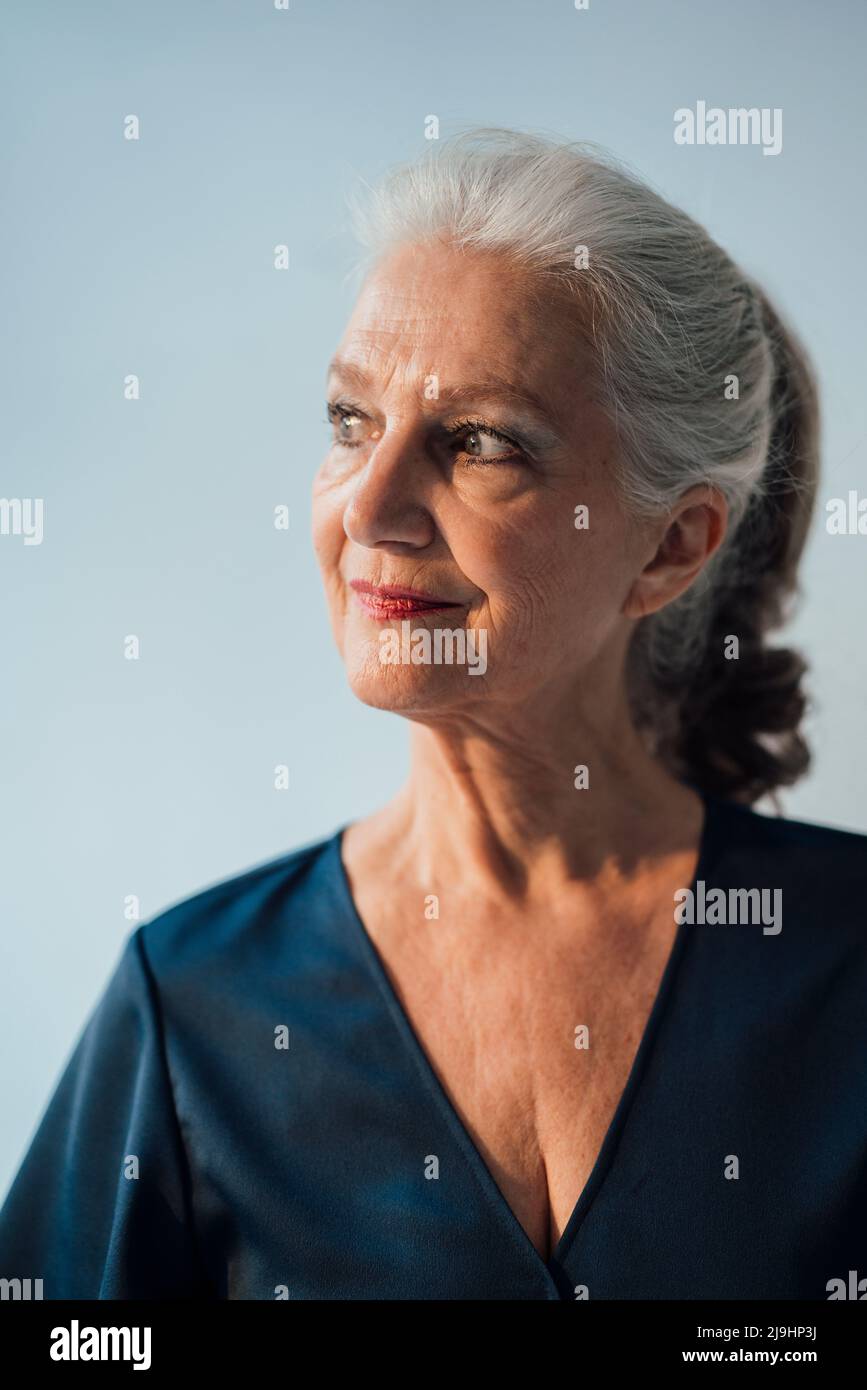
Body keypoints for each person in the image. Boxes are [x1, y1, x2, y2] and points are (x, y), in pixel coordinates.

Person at [2, 129, 865, 1301]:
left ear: (671, 546)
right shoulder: (191, 1007)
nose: (371, 506)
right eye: (351, 422)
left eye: (480, 441)